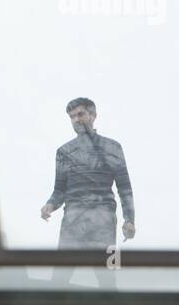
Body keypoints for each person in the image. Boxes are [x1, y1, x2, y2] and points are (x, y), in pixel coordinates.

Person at [40, 97, 136, 250]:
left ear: (93, 116)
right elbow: (59, 190)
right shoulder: (64, 152)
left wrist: (129, 220)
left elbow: (125, 188)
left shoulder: (113, 148)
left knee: (109, 269)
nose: (76, 119)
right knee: (61, 271)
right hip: (72, 220)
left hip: (103, 220)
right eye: (72, 116)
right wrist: (50, 205)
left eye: (80, 114)